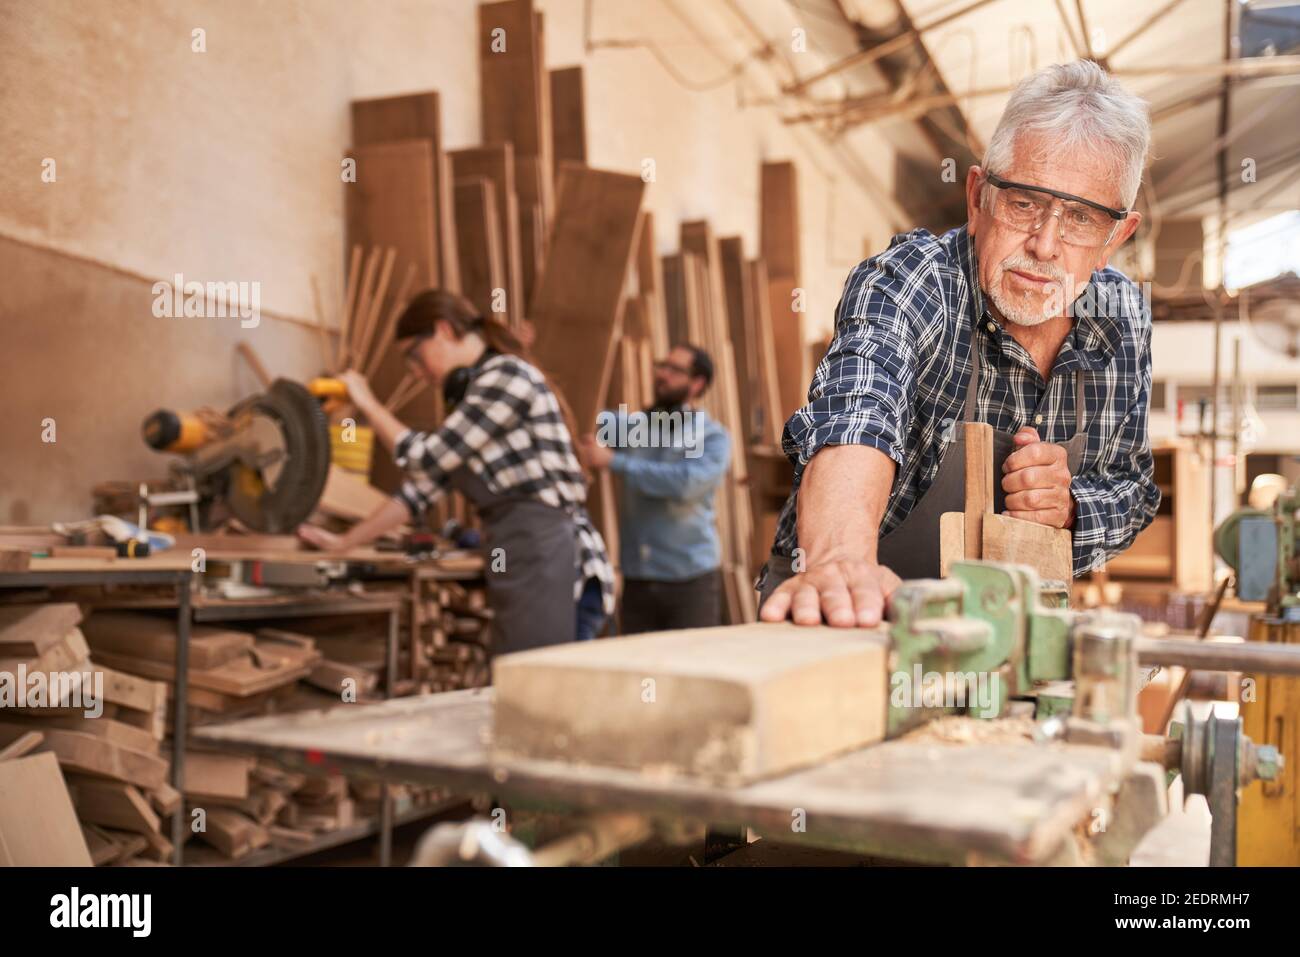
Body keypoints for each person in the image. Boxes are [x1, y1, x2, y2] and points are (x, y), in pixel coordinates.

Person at [758, 59, 1160, 628]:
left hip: (1001, 636)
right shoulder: (910, 282)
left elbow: (1133, 488)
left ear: (1116, 237)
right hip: (852, 614)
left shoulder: (1120, 320)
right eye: (1023, 203)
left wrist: (1072, 509)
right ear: (977, 199)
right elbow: (858, 413)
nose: (1045, 245)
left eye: (1081, 219)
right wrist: (840, 561)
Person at [298, 290, 614, 653]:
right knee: (521, 683)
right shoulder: (475, 399)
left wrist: (366, 401)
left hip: (550, 557)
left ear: (443, 330)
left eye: (414, 357)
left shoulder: (506, 378)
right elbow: (418, 491)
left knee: (538, 692)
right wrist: (345, 542)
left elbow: (423, 459)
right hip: (523, 552)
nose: (417, 373)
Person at [580, 345, 731, 635]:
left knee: (690, 668)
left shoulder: (712, 436)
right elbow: (587, 413)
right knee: (641, 670)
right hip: (638, 578)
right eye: (662, 365)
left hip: (689, 580)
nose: (662, 374)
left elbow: (685, 484)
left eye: (675, 370)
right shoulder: (637, 426)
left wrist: (614, 462)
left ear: (696, 383)